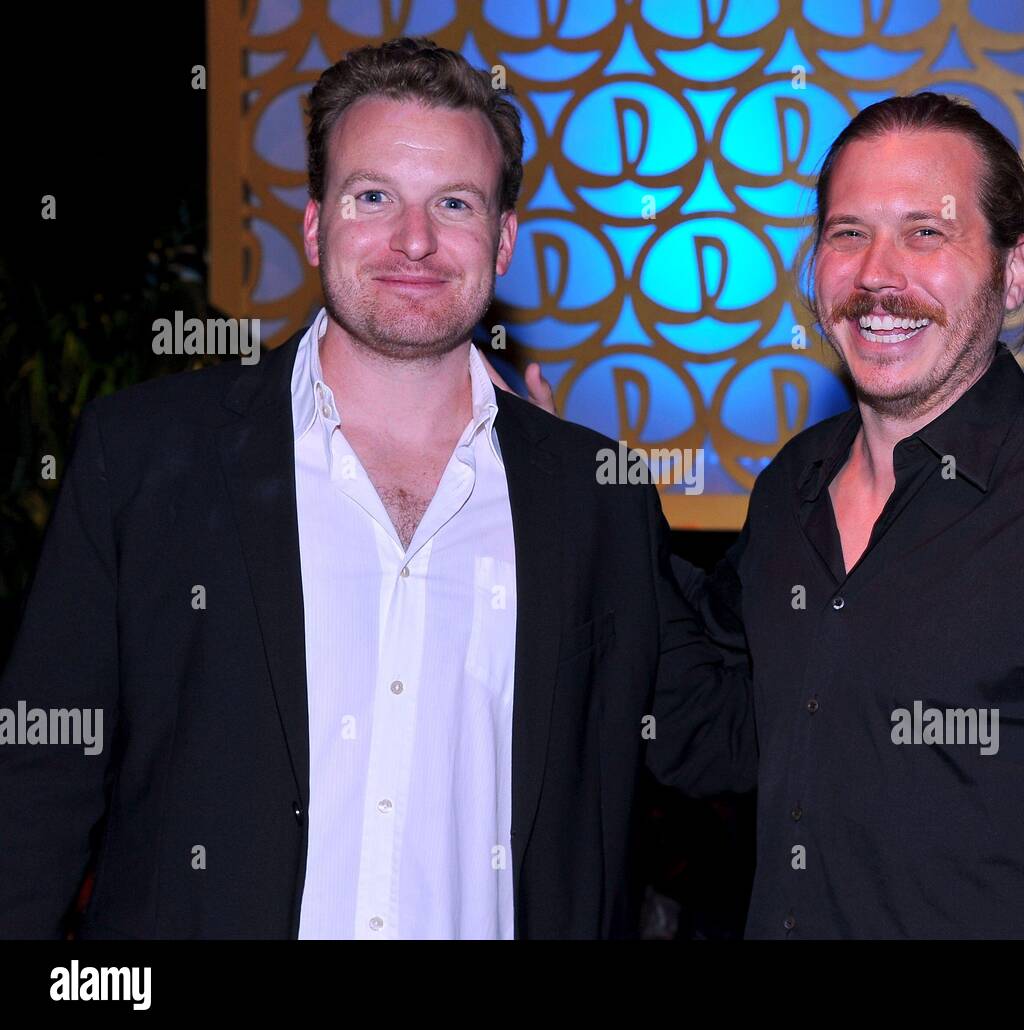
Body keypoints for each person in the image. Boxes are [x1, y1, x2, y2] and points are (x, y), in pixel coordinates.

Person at [0, 37, 753, 940]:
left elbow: (716, 731)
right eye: (373, 198)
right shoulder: (147, 457)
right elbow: (38, 783)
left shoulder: (593, 496)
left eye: (454, 204)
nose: (414, 242)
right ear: (316, 224)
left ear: (504, 241)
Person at [519, 92, 1024, 938]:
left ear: (1015, 272)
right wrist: (570, 482)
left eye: (927, 232)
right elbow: (714, 727)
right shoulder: (794, 491)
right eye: (849, 232)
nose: (878, 274)